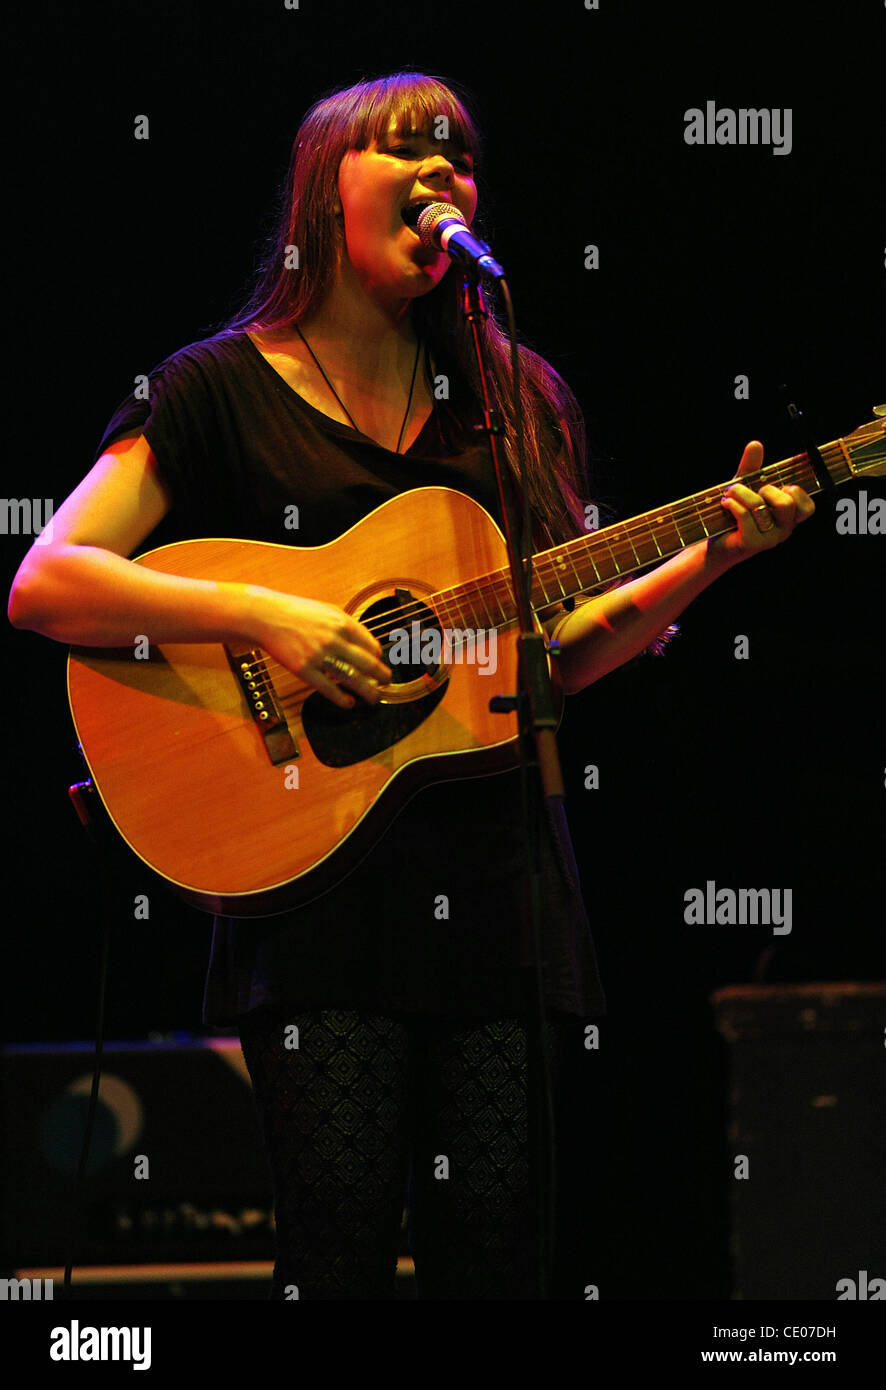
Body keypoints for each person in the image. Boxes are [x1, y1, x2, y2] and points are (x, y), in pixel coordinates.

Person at [7, 71, 814, 1300]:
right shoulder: (213, 388)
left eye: (462, 158)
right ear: (322, 189)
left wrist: (709, 558)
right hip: (313, 891)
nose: (445, 174)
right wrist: (267, 612)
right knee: (334, 1247)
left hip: (499, 886)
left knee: (495, 1254)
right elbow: (49, 581)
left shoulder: (509, 399)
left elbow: (555, 649)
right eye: (406, 151)